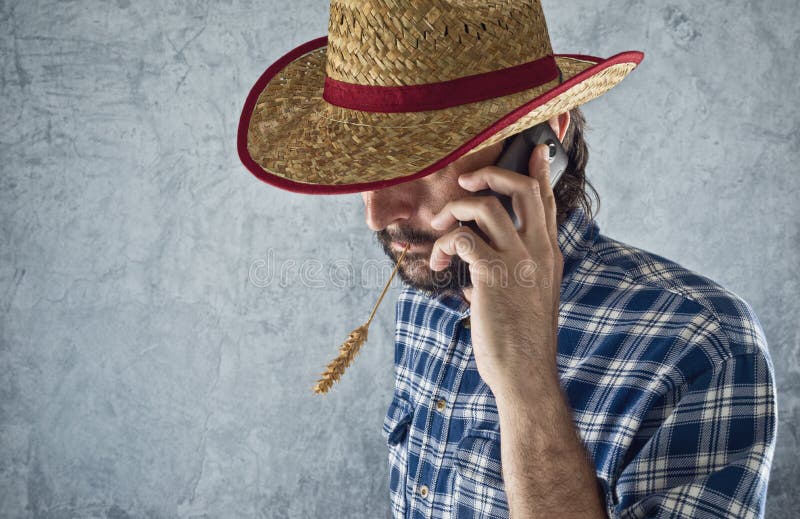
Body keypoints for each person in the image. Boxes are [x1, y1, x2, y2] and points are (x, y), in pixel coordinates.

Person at [238, 2, 778, 517]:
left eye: (426, 160)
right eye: (369, 165)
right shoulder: (428, 292)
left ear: (543, 141)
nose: (378, 215)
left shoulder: (702, 345)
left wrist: (526, 383)